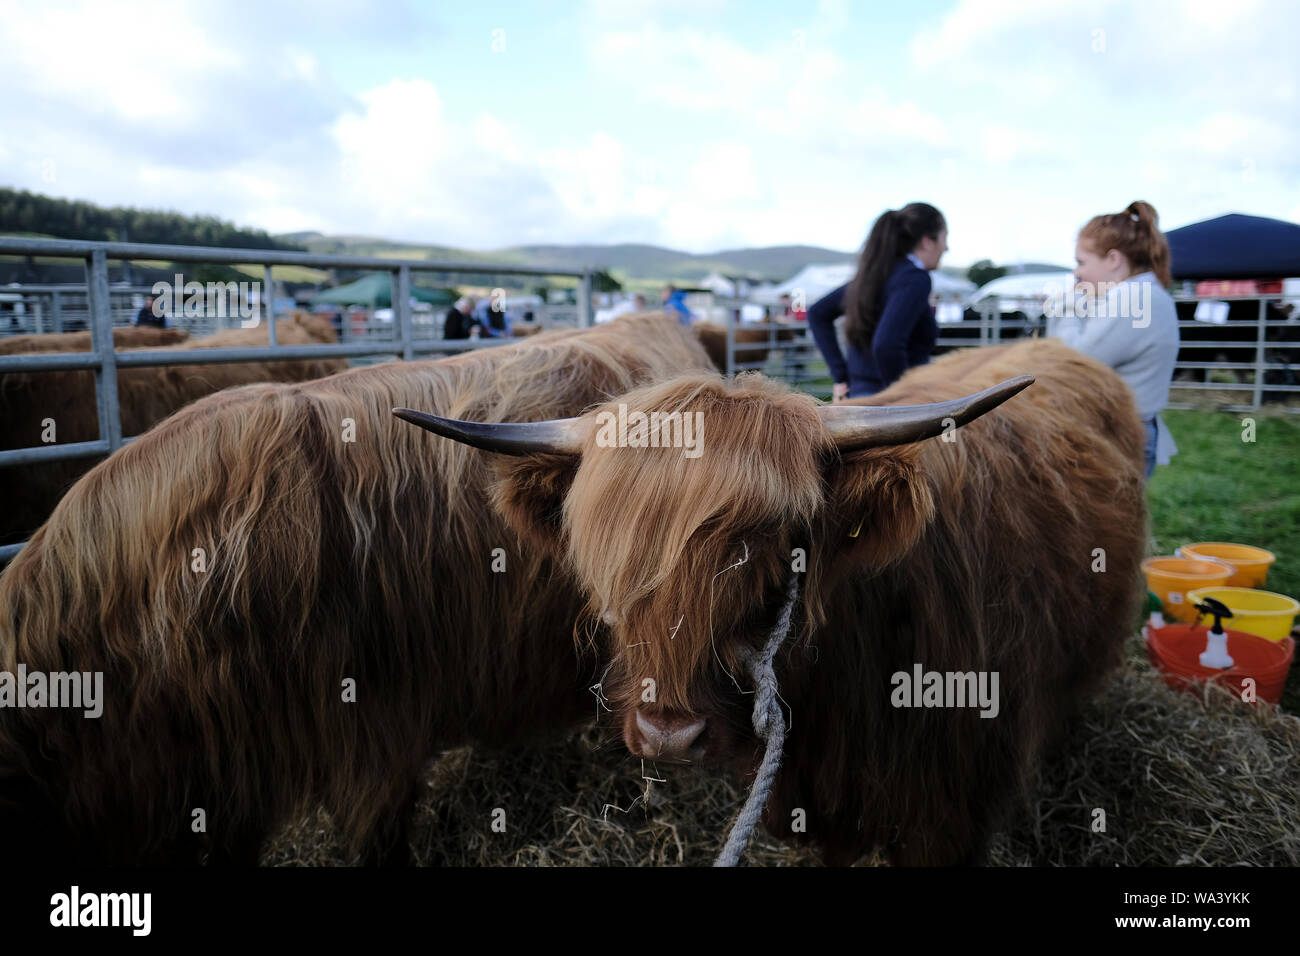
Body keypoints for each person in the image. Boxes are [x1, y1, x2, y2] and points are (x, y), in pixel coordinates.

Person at [1052, 200, 1179, 480]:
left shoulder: (1134, 299)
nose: (1077, 273)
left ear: (1113, 259)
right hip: (1127, 430)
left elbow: (1070, 361)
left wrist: (1068, 305)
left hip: (1118, 436)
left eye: (1081, 262)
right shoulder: (1146, 294)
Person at [807, 203, 947, 401]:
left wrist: (841, 378)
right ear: (926, 241)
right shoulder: (914, 278)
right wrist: (904, 397)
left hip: (859, 399)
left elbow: (817, 313)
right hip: (890, 409)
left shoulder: (875, 276)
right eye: (944, 237)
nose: (946, 247)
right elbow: (886, 344)